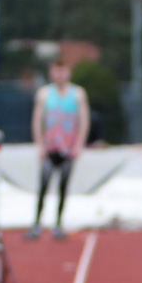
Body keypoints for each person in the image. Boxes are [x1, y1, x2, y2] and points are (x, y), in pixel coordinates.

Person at [27, 61, 89, 241]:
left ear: (68, 73)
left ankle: (58, 224)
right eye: (56, 71)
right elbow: (37, 120)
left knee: (63, 187)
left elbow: (83, 121)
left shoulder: (77, 94)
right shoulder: (45, 93)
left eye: (63, 71)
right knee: (43, 187)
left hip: (68, 149)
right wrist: (39, 145)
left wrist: (79, 145)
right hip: (49, 148)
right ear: (52, 73)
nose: (60, 75)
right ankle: (37, 224)